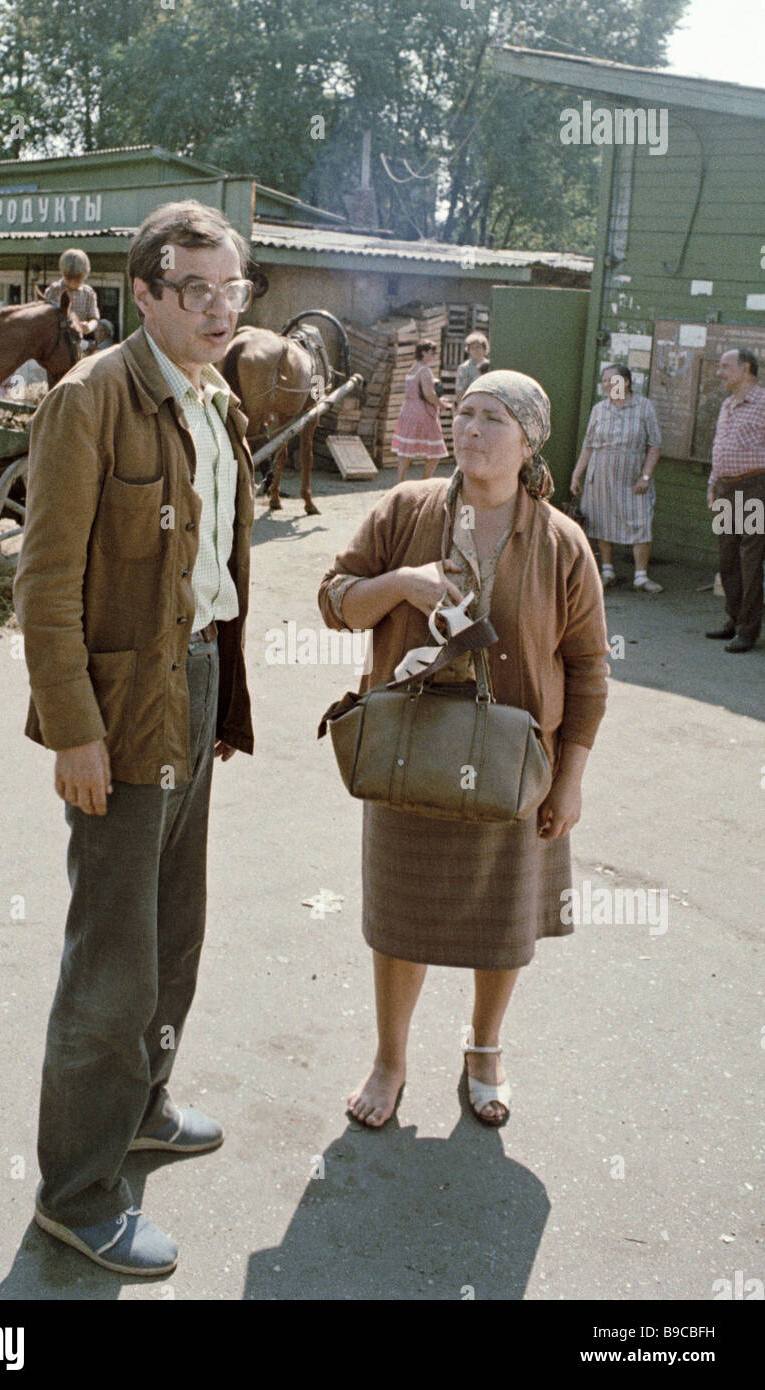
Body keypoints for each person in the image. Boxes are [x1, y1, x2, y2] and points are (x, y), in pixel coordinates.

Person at [14, 200, 257, 1276]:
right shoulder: (91, 399)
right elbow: (45, 581)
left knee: (174, 928)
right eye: (195, 290)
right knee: (111, 957)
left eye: (232, 287)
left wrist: (223, 700)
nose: (218, 309)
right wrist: (75, 731)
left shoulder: (214, 395)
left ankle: (144, 1106)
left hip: (194, 681)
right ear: (143, 295)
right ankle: (77, 1191)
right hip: (122, 706)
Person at [318, 371, 609, 1129]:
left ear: (529, 440)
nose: (470, 431)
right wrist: (401, 584)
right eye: (464, 414)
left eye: (492, 419)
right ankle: (390, 1059)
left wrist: (570, 779)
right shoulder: (406, 509)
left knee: (501, 921)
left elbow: (588, 666)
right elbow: (335, 601)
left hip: (515, 769)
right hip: (408, 756)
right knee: (399, 916)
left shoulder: (560, 542)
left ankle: (485, 1050)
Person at [571, 363, 663, 592]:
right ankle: (607, 571)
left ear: (627, 382)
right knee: (602, 520)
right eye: (604, 381)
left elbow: (655, 446)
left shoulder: (644, 407)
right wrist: (576, 475)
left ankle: (641, 576)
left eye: (612, 380)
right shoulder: (599, 409)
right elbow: (589, 445)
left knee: (641, 520)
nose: (607, 385)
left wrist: (645, 476)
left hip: (633, 477)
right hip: (600, 474)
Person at [705, 348, 765, 652]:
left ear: (746, 370)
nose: (719, 372)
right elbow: (720, 448)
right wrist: (712, 485)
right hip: (727, 488)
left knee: (751, 560)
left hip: (755, 488)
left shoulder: (763, 403)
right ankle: (733, 620)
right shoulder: (727, 405)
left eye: (725, 367)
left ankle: (748, 629)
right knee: (728, 556)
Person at [391, 339, 451, 484]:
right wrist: (441, 405)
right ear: (423, 353)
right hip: (423, 413)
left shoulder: (412, 369)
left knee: (407, 449)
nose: (434, 356)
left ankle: (399, 481)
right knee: (435, 450)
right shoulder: (424, 370)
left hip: (408, 410)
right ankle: (425, 481)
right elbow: (429, 394)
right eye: (432, 353)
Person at [44, 248, 100, 336]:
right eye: (69, 279)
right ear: (63, 274)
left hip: (78, 340)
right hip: (56, 340)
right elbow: (45, 318)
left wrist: (89, 327)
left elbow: (94, 318)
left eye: (78, 280)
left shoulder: (88, 293)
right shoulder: (54, 290)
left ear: (84, 276)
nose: (73, 283)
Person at [454, 331, 490, 399]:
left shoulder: (490, 365)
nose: (476, 350)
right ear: (469, 350)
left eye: (478, 347)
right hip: (470, 400)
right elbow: (459, 390)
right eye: (472, 348)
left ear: (484, 348)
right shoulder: (464, 368)